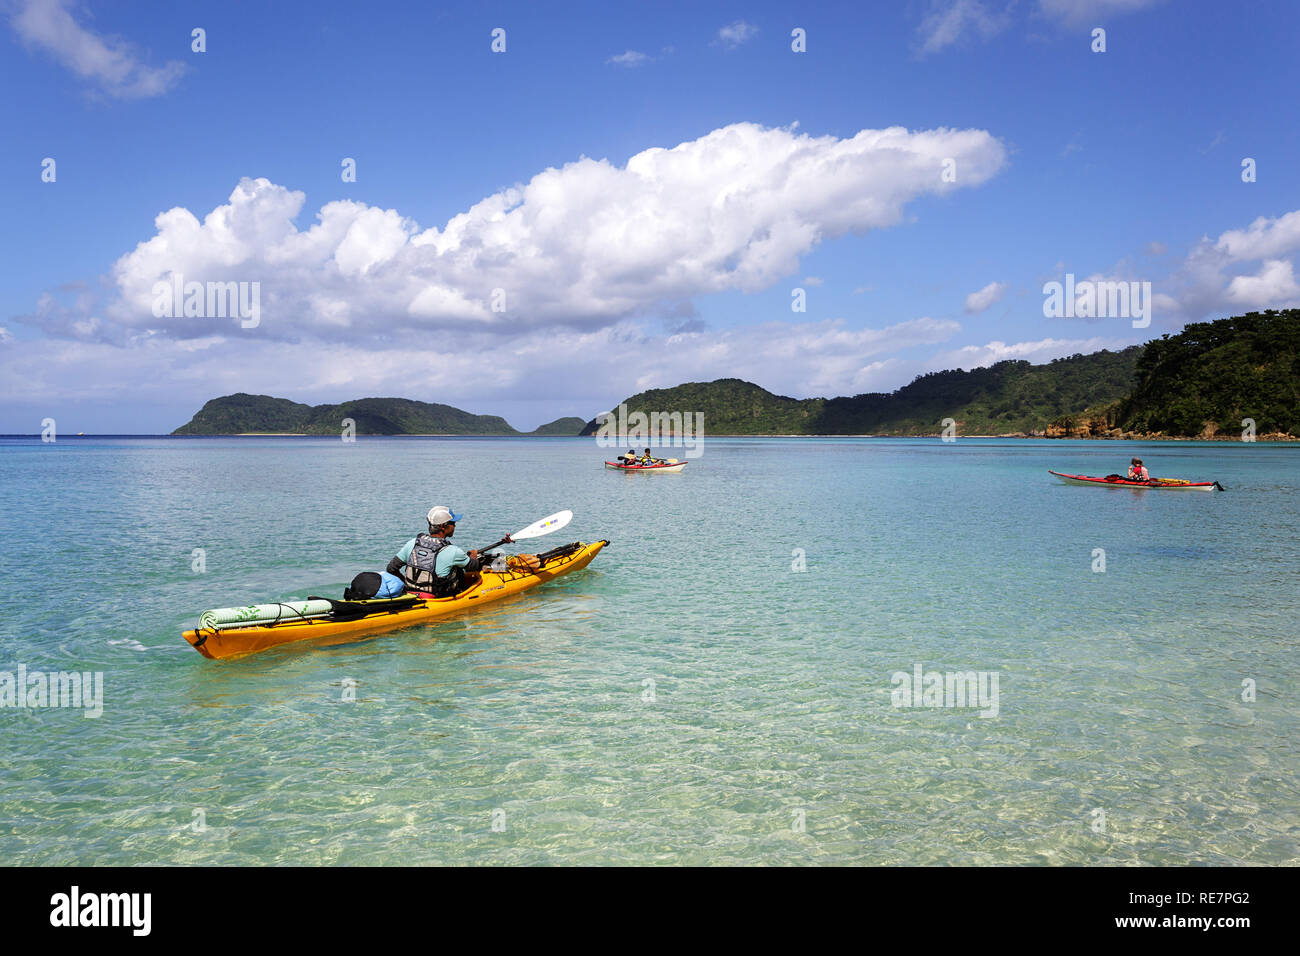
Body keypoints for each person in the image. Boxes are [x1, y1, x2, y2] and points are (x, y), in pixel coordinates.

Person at [386, 506, 482, 597]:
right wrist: (473, 556)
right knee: (458, 568)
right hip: (439, 597)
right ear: (442, 526)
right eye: (452, 523)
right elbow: (474, 566)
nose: (455, 525)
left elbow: (391, 568)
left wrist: (406, 585)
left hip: (411, 593)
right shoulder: (454, 551)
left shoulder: (412, 543)